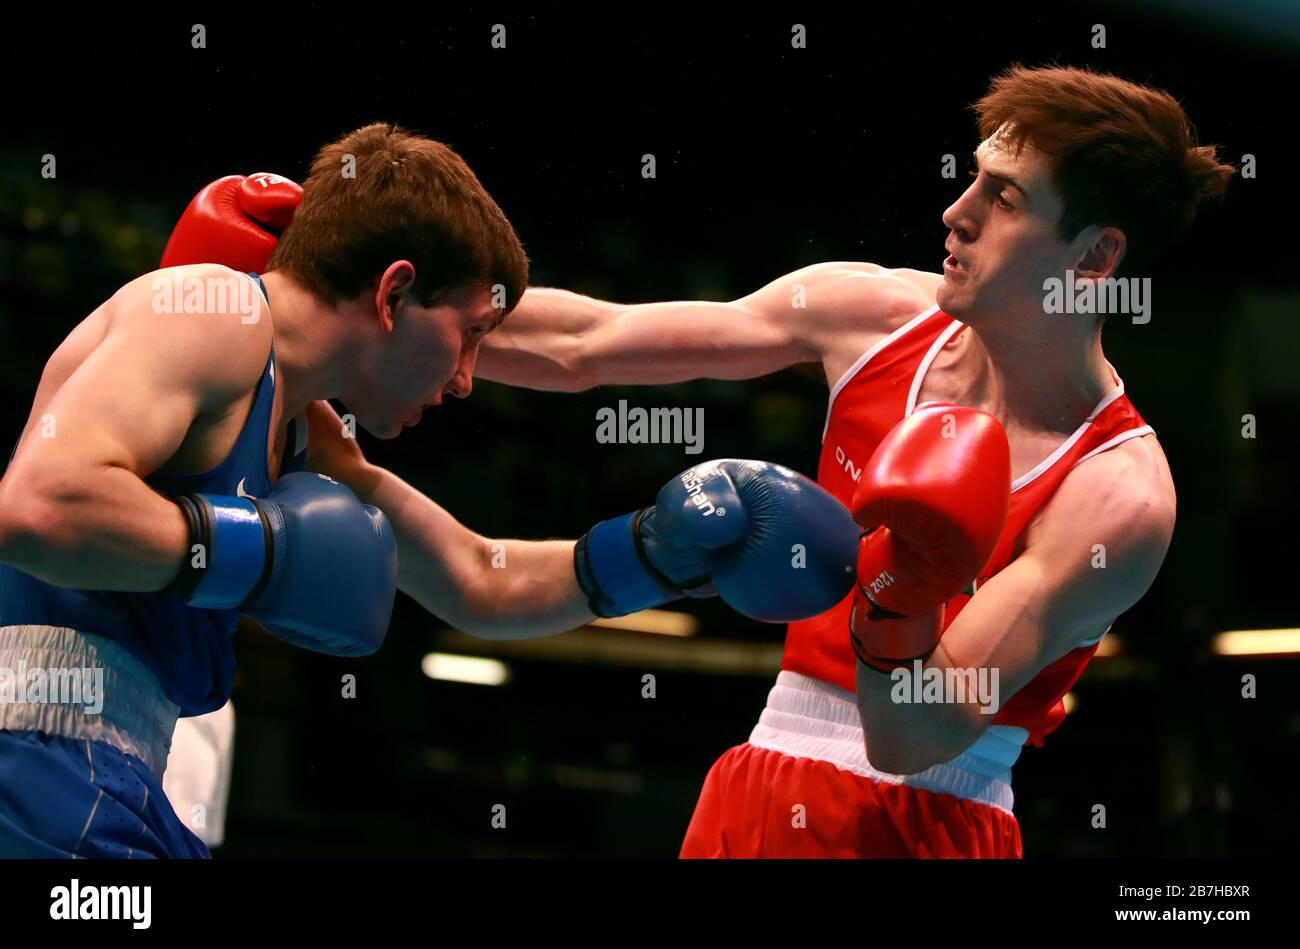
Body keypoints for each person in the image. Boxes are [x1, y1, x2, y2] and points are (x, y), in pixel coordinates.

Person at [0, 124, 859, 858]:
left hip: (112, 777)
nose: (466, 379)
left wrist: (651, 553)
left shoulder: (305, 434)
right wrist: (260, 554)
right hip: (31, 757)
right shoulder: (213, 312)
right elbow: (41, 504)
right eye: (470, 335)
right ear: (395, 291)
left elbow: (476, 579)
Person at [473, 65, 1236, 856]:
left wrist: (897, 590)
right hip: (758, 781)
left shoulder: (1118, 492)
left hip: (929, 822)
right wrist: (402, 311)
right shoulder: (870, 318)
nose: (956, 212)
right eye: (972, 179)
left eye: (1004, 198)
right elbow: (585, 343)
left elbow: (914, 735)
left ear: (1094, 258)